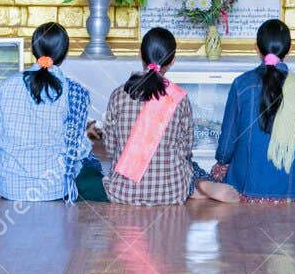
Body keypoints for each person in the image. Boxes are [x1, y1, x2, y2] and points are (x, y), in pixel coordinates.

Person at [96, 28, 238, 206]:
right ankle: (199, 185)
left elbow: (110, 148)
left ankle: (197, 187)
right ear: (172, 61)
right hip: (172, 192)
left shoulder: (118, 94)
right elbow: (186, 150)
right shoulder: (179, 96)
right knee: (189, 165)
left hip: (123, 191)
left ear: (141, 56)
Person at [212, 20, 295, 204]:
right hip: (291, 184)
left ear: (257, 48)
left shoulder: (241, 84)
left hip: (247, 184)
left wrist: (221, 161)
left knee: (212, 177)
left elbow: (228, 139)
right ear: (289, 50)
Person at [0, 22, 96, 203]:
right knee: (92, 167)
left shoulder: (8, 85)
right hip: (53, 189)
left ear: (33, 48)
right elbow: (78, 149)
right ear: (64, 53)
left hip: (11, 187)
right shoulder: (74, 91)